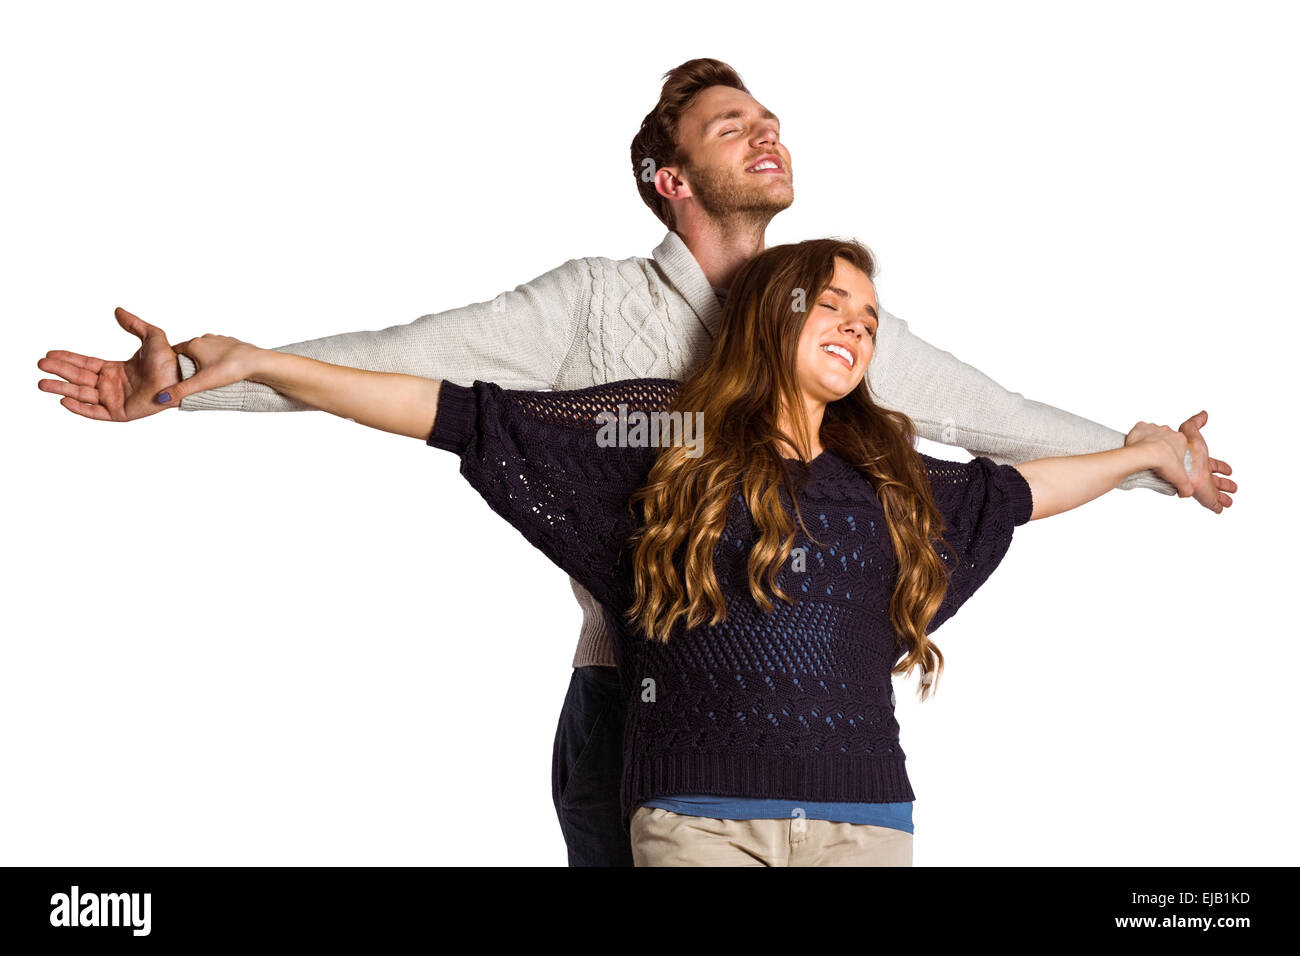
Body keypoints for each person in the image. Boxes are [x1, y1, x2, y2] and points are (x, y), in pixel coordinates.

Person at [35, 58, 1235, 866]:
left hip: (818, 737)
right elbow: (406, 371)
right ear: (673, 180)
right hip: (636, 709)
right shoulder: (595, 307)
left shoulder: (840, 321)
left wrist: (1151, 459)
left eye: (769, 117)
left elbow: (1007, 434)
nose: (766, 131)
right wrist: (199, 378)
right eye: (731, 126)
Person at [155, 237, 1206, 865]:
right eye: (826, 301)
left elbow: (1020, 486)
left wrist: (1140, 457)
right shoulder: (670, 434)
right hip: (697, 814)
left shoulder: (883, 469)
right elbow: (460, 412)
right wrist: (267, 365)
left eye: (871, 318)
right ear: (762, 316)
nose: (855, 324)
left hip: (867, 818)